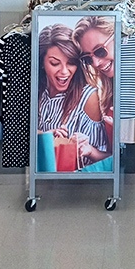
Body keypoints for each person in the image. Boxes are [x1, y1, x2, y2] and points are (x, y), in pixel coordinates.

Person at [38, 24, 110, 164]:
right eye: (55, 63)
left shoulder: (88, 97)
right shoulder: (37, 92)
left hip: (76, 182)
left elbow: (104, 158)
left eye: (71, 63)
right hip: (43, 177)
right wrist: (43, 137)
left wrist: (87, 150)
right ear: (42, 62)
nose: (64, 71)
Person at [73, 17, 115, 146]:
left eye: (100, 51)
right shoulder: (107, 92)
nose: (96, 63)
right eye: (88, 59)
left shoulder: (130, 89)